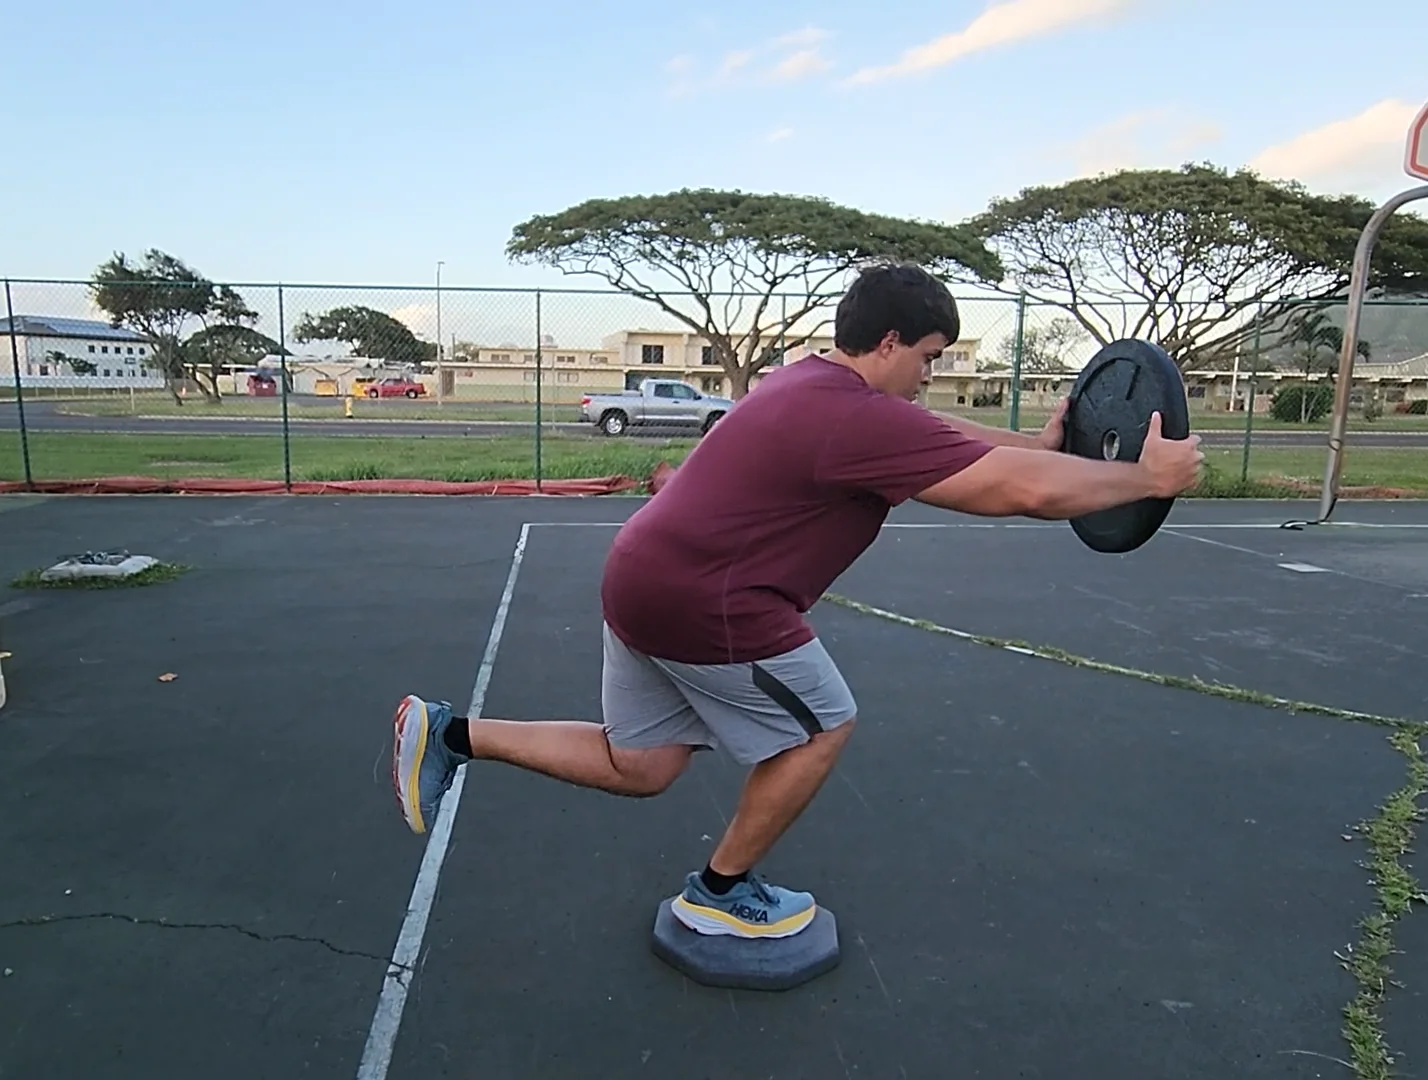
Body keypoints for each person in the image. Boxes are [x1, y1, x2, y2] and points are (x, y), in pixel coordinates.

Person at [390, 263, 1203, 940]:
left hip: (643, 577)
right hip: (709, 601)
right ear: (890, 343)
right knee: (822, 725)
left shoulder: (809, 383)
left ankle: (450, 733)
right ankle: (718, 893)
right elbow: (1015, 493)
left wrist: (1040, 444)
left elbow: (957, 443)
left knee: (639, 764)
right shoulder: (853, 417)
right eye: (928, 357)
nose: (930, 374)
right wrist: (1145, 479)